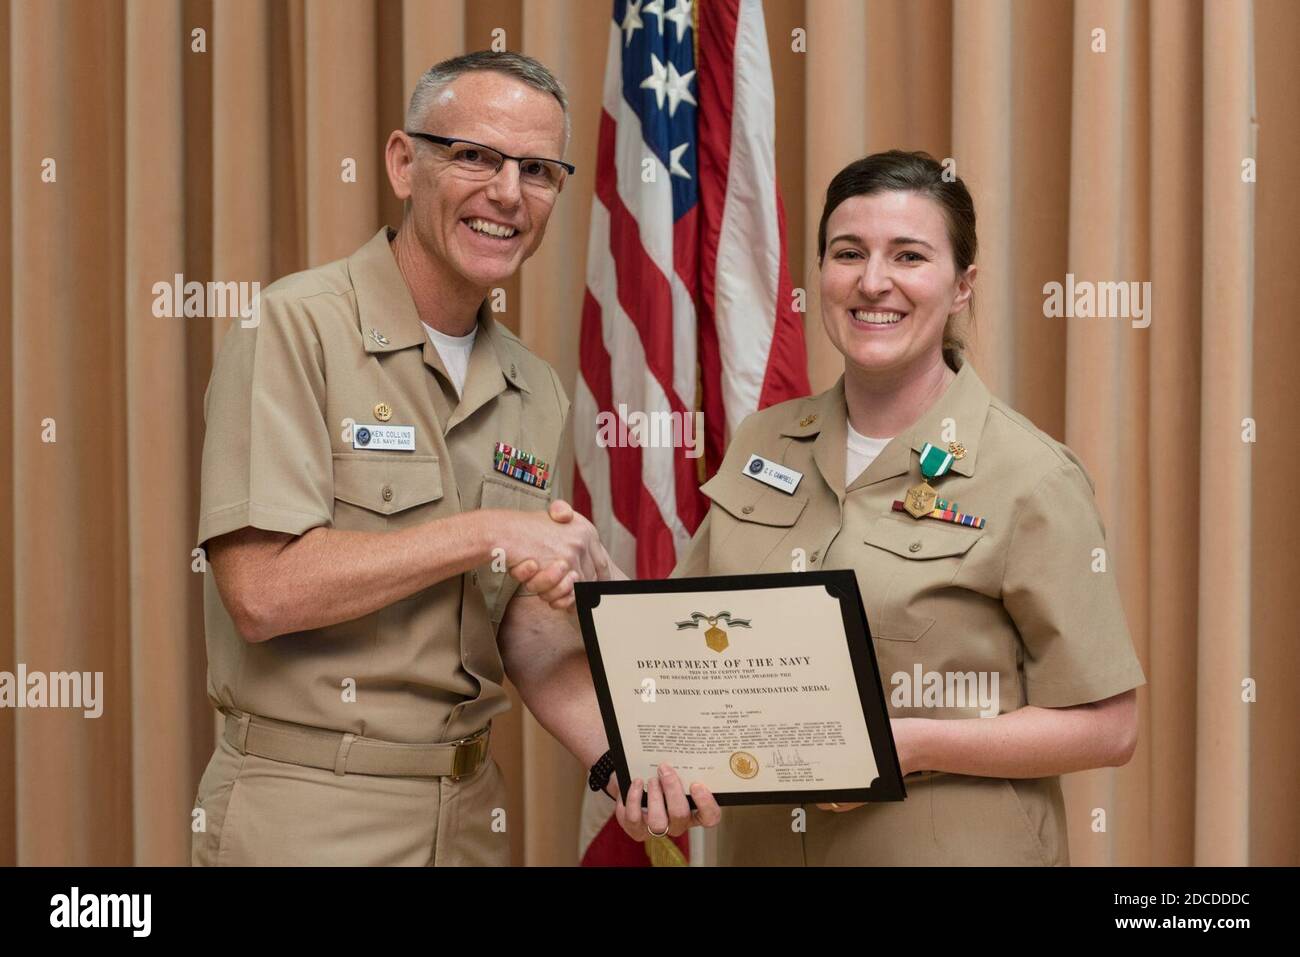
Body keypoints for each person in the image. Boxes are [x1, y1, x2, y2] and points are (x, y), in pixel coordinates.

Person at [191, 50, 718, 866]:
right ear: (405, 163)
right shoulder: (296, 328)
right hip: (310, 810)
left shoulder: (532, 389)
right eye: (474, 156)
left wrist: (623, 760)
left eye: (538, 170)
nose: (508, 193)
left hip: (471, 817)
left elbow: (523, 632)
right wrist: (488, 530)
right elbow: (262, 590)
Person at [668, 150, 1145, 865]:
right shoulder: (766, 440)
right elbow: (686, 637)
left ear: (961, 287)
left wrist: (910, 742)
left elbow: (1110, 727)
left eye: (910, 255)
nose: (872, 282)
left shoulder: (1030, 476)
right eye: (847, 252)